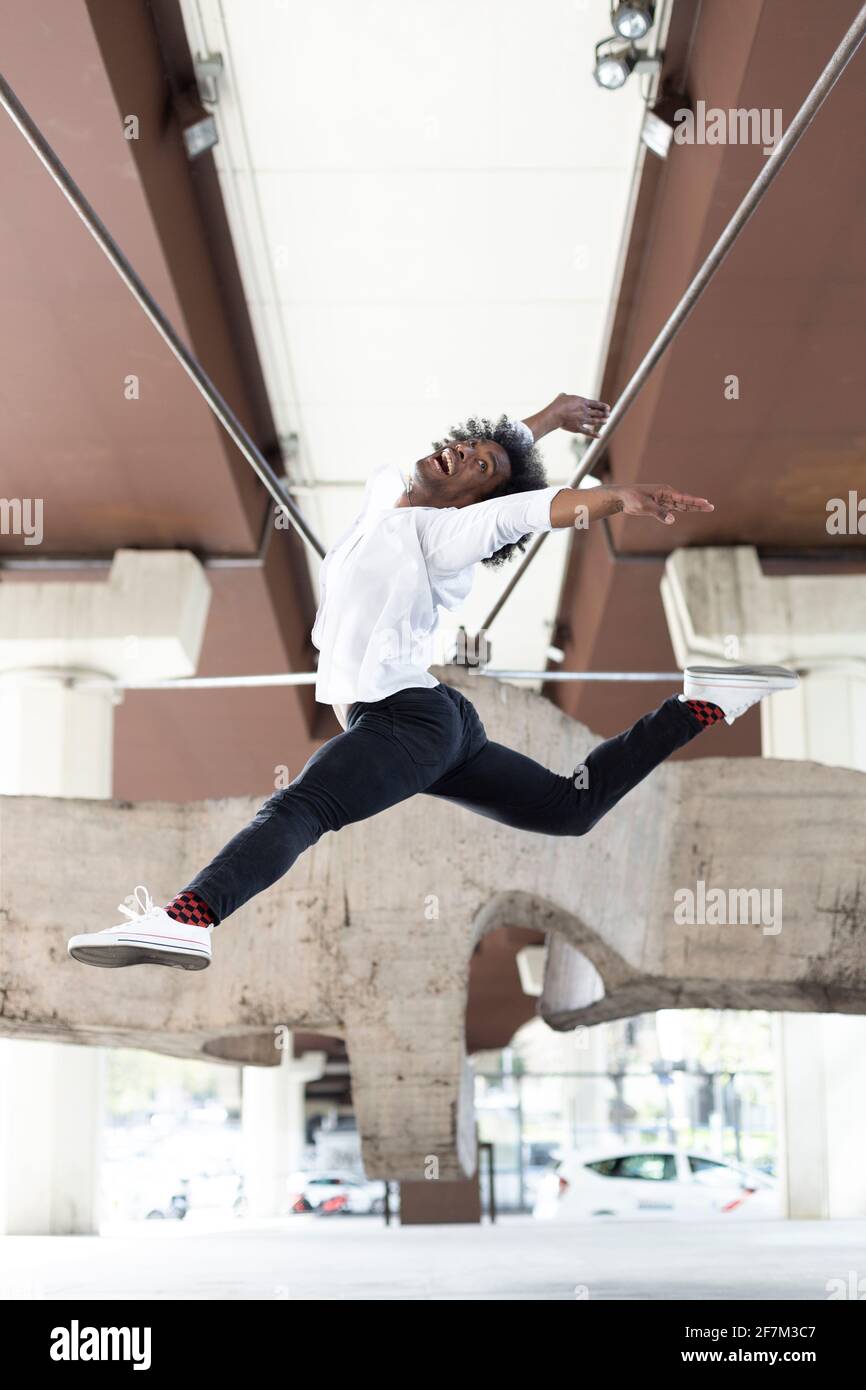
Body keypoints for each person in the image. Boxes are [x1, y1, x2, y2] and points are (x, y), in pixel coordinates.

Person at [68, 392, 797, 971]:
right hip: (436, 724)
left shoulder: (446, 535)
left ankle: (186, 921)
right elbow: (497, 448)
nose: (460, 455)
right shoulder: (388, 488)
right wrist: (543, 419)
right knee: (568, 809)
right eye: (463, 445)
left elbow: (536, 509)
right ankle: (703, 701)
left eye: (476, 468)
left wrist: (615, 499)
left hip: (404, 721)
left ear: (469, 507)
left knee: (304, 808)